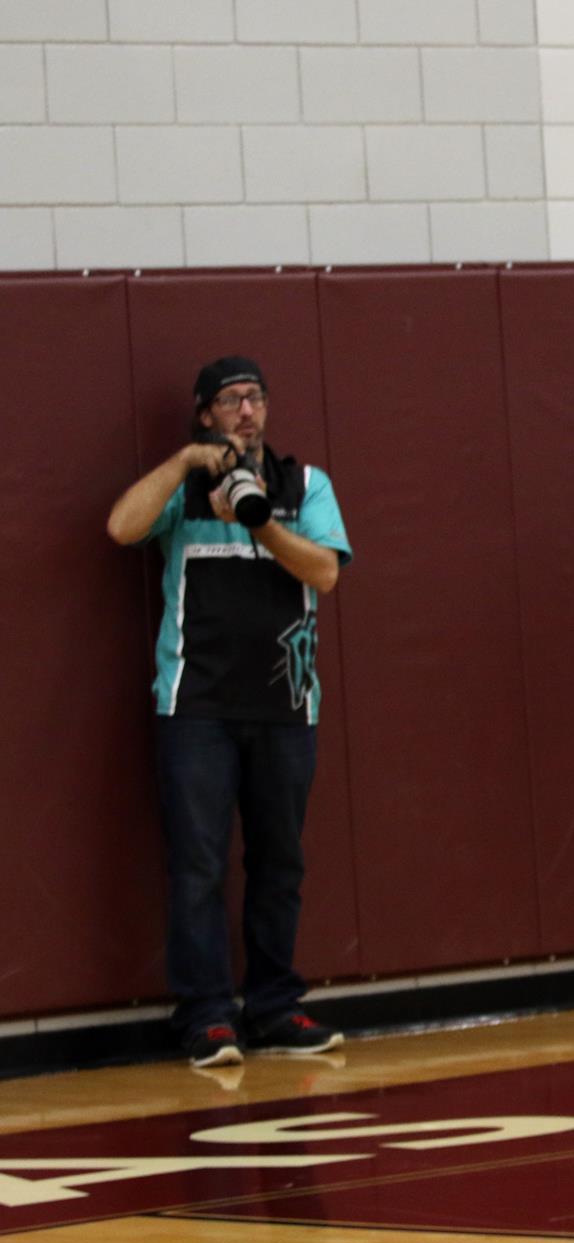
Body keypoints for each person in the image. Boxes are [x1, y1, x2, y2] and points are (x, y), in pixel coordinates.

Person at [105, 356, 352, 1069]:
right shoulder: (183, 490)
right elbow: (122, 526)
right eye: (230, 399)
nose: (247, 410)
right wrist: (187, 462)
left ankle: (275, 1006)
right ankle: (207, 1015)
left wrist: (259, 523)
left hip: (285, 705)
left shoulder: (304, 485)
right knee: (199, 865)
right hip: (196, 708)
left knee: (279, 862)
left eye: (256, 397)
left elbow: (326, 572)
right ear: (205, 411)